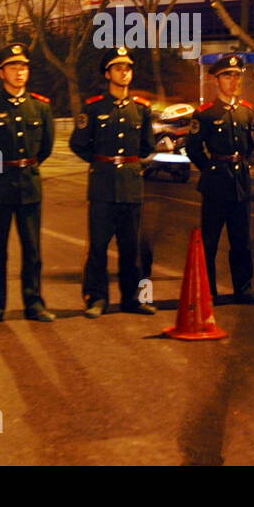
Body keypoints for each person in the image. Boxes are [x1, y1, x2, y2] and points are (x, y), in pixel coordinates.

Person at [0, 43, 55, 325]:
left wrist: (24, 169)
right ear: (1, 73)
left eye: (23, 66)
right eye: (13, 67)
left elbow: (44, 148)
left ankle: (34, 303)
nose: (19, 72)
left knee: (32, 249)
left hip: (29, 185)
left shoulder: (40, 106)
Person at [70, 47, 156, 318]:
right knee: (98, 247)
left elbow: (146, 147)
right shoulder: (94, 107)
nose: (124, 72)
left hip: (131, 186)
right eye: (118, 68)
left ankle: (133, 298)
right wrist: (101, 162)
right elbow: (79, 144)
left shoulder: (141, 109)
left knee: (133, 248)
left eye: (128, 68)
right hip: (103, 187)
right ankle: (96, 299)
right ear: (108, 74)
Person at [189, 54, 254, 304]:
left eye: (236, 76)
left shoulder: (246, 111)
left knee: (242, 240)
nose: (233, 81)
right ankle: (207, 291)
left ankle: (244, 289)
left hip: (240, 181)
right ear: (216, 81)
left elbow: (251, 145)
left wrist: (247, 164)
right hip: (216, 182)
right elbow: (193, 148)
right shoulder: (205, 114)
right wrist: (209, 169)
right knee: (210, 240)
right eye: (227, 76)